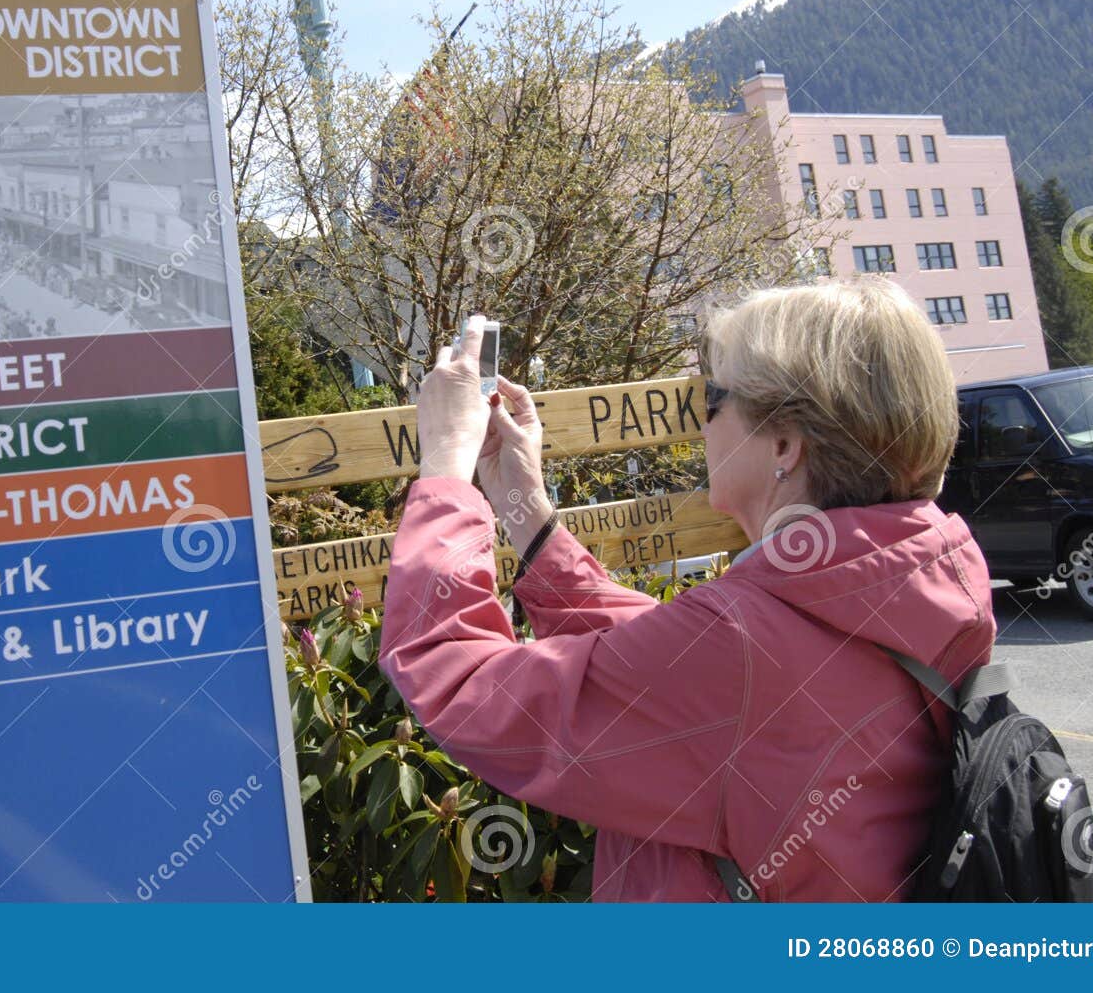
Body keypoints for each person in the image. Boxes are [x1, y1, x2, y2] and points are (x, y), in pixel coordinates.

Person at [379, 280, 996, 901]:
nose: (700, 426)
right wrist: (523, 506)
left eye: (711, 400)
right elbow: (665, 662)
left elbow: (454, 674)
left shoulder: (741, 647)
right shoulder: (911, 580)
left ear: (783, 444)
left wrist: (445, 466)